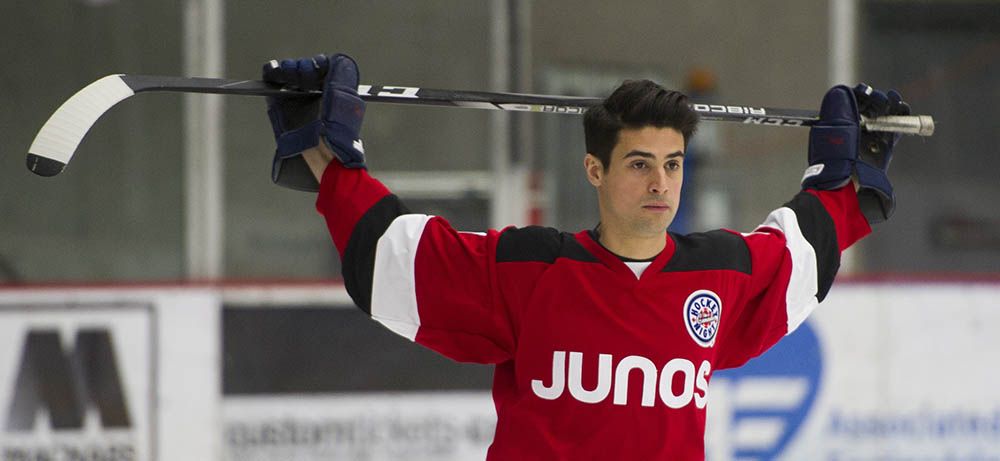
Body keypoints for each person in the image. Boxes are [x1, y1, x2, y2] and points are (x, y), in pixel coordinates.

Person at [261, 53, 909, 460]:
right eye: (639, 164)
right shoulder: (529, 270)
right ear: (594, 169)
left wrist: (849, 178)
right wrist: (326, 152)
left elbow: (801, 250)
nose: (661, 184)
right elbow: (397, 258)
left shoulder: (721, 273)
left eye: (673, 164)